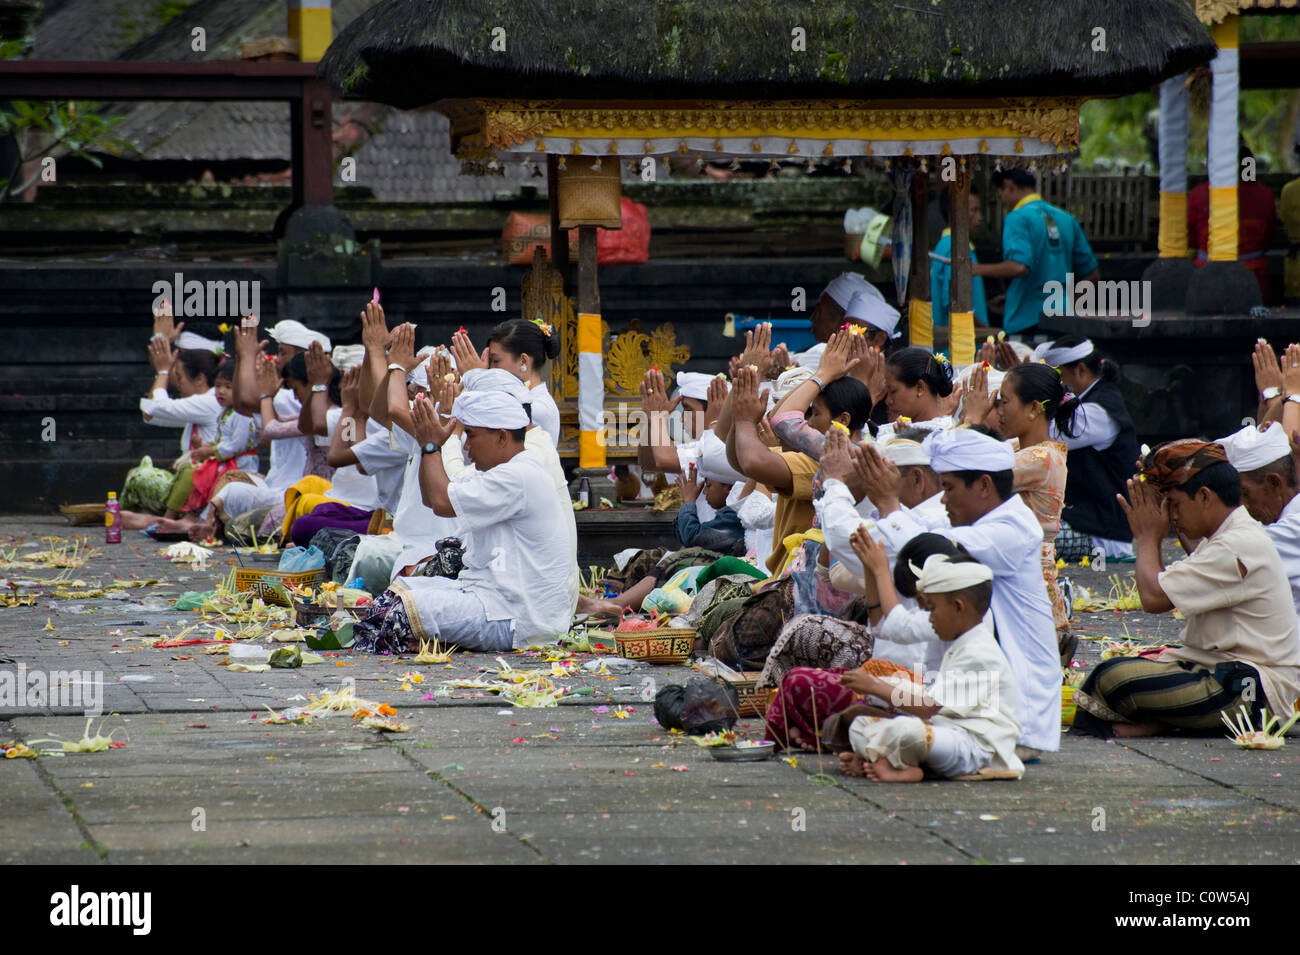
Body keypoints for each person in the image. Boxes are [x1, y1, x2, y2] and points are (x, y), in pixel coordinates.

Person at [1072, 441, 1300, 737]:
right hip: (1224, 672)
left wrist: (1146, 536)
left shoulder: (1236, 544)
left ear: (1204, 496)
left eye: (1175, 504)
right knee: (1125, 671)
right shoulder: (1230, 535)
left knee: (1113, 679)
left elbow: (1154, 598)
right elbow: (1192, 564)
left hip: (1252, 690)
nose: (1172, 516)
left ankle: (1155, 724)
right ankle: (1163, 722)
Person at [858, 427, 1061, 755]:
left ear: (983, 485)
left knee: (890, 736)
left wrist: (886, 502)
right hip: (965, 707)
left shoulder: (1014, 529)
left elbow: (928, 550)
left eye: (949, 489)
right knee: (858, 726)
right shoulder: (974, 524)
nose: (943, 500)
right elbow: (917, 541)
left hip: (1014, 721)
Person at [353, 388, 575, 653]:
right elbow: (432, 498)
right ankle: (430, 640)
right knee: (393, 595)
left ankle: (429, 641)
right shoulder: (500, 470)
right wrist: (428, 447)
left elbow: (440, 500)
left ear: (502, 437)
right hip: (491, 599)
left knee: (397, 613)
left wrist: (431, 445)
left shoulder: (520, 474)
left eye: (471, 435)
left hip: (518, 619)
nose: (467, 447)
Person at [829, 550, 1024, 783]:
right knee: (860, 726)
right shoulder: (955, 642)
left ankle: (893, 764)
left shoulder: (979, 652)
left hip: (978, 747)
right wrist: (882, 685)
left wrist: (873, 685)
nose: (928, 617)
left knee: (906, 730)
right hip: (943, 730)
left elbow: (927, 707)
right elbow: (929, 695)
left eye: (932, 609)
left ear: (958, 607)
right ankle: (887, 760)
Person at [763, 532, 966, 753]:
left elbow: (931, 707)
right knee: (814, 687)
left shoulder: (954, 621)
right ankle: (823, 734)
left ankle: (827, 737)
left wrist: (874, 687)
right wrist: (872, 570)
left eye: (925, 600)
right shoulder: (944, 612)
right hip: (905, 692)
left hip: (922, 708)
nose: (922, 604)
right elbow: (882, 625)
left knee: (800, 682)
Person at [961, 362, 1075, 660]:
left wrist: (971, 418)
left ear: (1034, 408)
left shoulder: (1041, 458)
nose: (998, 411)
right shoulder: (1016, 448)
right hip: (1011, 570)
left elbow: (964, 472)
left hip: (1028, 579)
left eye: (1005, 402)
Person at [727, 351, 872, 573]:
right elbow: (740, 460)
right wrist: (742, 419)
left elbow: (774, 431)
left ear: (843, 420)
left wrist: (744, 420)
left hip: (804, 581)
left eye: (814, 414)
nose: (807, 423)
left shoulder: (830, 459)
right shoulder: (818, 454)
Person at [1040, 336, 1139, 562]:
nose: (1058, 387)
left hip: (1102, 535)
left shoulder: (1096, 412)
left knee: (1028, 537)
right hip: (1085, 520)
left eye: (1060, 377)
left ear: (1081, 370)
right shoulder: (1089, 401)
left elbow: (1042, 437)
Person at [974, 168, 1098, 335]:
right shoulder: (1066, 218)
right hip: (1066, 319)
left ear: (1008, 186)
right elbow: (1092, 275)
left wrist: (975, 269)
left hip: (1029, 321)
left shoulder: (1017, 218)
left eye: (1000, 193)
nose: (1001, 200)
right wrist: (1065, 301)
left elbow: (1019, 266)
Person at [1216, 422, 1300, 629]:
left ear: (1274, 483)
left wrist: (1149, 536)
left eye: (1245, 493)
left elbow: (1212, 565)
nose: (1243, 506)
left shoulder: (1290, 530)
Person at [450, 318, 562, 446]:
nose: (490, 368)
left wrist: (475, 378)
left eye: (496, 361)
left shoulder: (540, 408)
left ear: (523, 361)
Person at [1188, 142, 1278, 303]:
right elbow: (1268, 239)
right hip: (1255, 275)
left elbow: (1190, 239)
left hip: (1207, 274)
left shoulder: (1198, 195)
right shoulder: (1265, 194)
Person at [930, 186, 989, 327]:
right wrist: (986, 331)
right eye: (974, 210)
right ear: (956, 212)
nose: (980, 217)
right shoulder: (954, 246)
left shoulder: (951, 244)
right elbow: (955, 301)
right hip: (957, 345)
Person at [874, 346, 957, 444]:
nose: (888, 401)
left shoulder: (945, 435)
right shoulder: (895, 430)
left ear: (920, 388)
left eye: (893, 391)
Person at [676, 465, 746, 556]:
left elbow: (691, 537)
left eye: (708, 485)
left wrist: (689, 501)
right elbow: (685, 538)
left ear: (728, 487)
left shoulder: (735, 517)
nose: (704, 491)